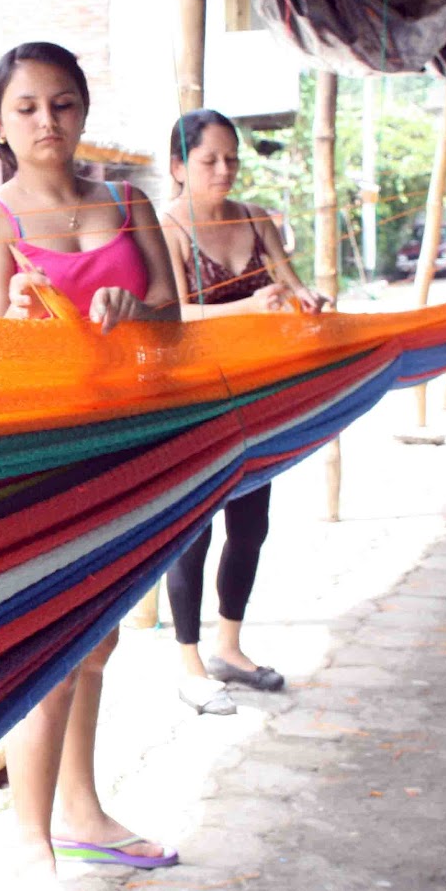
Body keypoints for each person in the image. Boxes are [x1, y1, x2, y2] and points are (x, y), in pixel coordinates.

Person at [0, 42, 182, 891]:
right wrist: (13, 324)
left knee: (103, 638)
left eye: (63, 103)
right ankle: (31, 855)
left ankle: (83, 812)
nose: (47, 122)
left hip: (123, 448)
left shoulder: (128, 200)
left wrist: (134, 316)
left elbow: (170, 310)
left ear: (84, 111)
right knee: (50, 653)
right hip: (40, 461)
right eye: (26, 108)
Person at [158, 109, 327, 715]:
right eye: (209, 160)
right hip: (193, 404)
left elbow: (289, 284)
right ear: (178, 167)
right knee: (193, 532)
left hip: (255, 398)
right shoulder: (168, 229)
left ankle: (230, 647)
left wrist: (305, 300)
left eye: (232, 158)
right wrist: (249, 309)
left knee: (250, 526)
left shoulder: (257, 219)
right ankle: (189, 663)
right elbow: (168, 317)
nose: (224, 169)